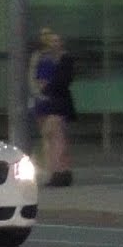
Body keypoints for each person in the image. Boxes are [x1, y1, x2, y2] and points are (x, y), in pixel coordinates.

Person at [28, 28, 77, 187]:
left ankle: (59, 170)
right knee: (49, 137)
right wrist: (37, 92)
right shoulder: (39, 57)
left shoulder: (61, 58)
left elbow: (62, 80)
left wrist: (44, 89)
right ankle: (56, 170)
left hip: (55, 100)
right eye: (49, 39)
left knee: (55, 135)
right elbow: (32, 76)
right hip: (43, 99)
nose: (51, 42)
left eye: (55, 40)